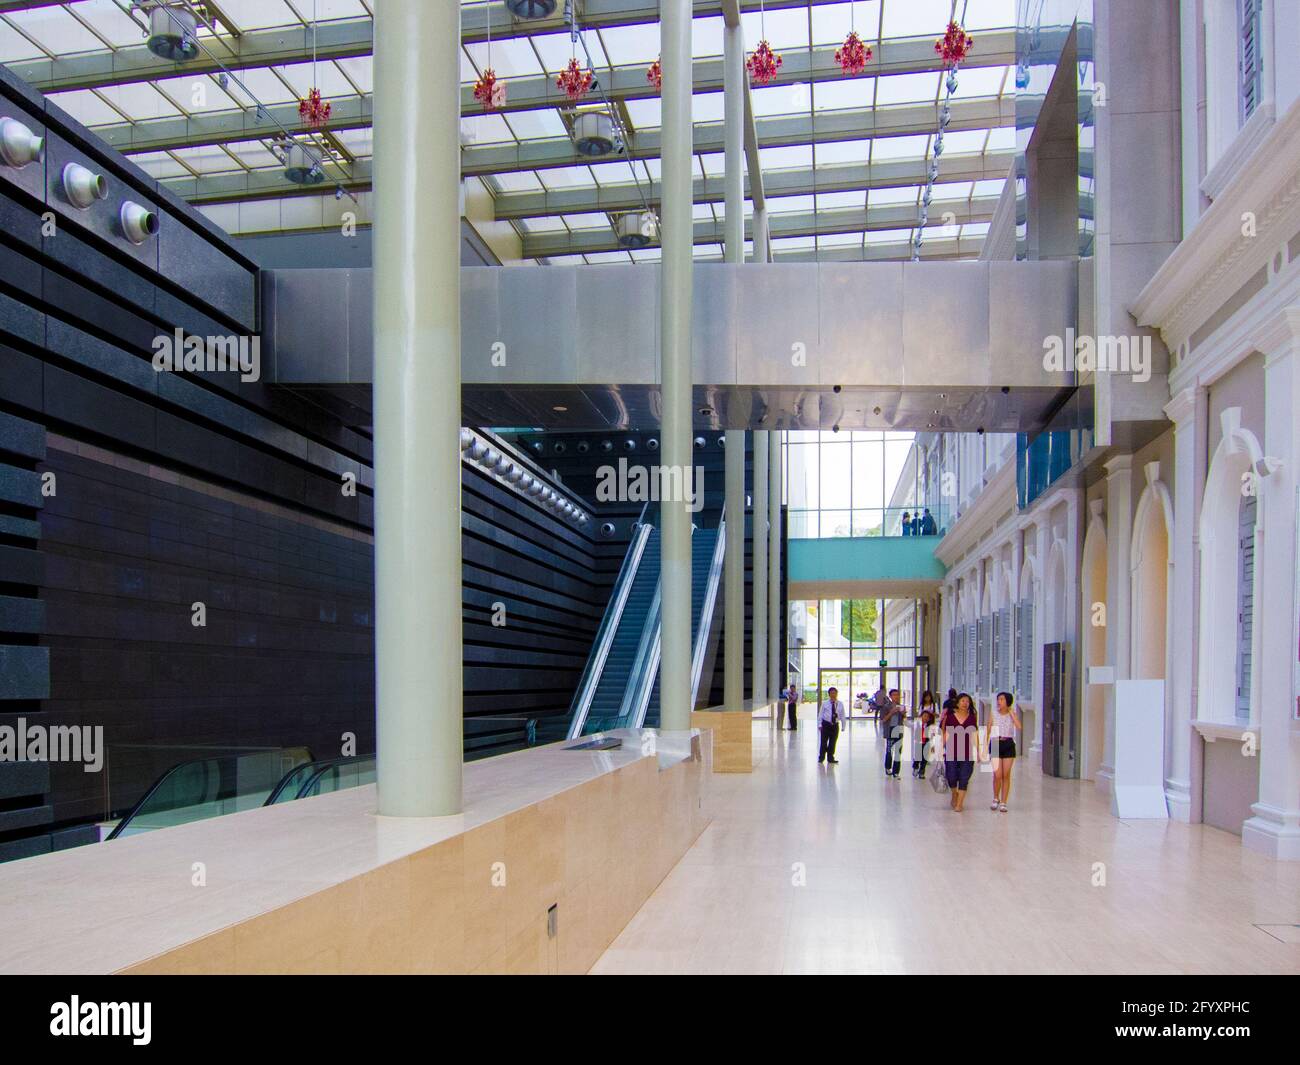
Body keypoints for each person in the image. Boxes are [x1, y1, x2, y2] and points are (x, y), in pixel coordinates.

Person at [941, 693, 978, 811]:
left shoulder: (972, 717)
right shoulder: (950, 717)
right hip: (952, 751)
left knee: (964, 777)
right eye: (962, 701)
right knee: (951, 776)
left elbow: (974, 734)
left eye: (967, 701)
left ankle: (959, 804)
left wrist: (979, 750)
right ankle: (954, 794)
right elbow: (946, 733)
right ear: (957, 703)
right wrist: (940, 747)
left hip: (967, 752)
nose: (965, 703)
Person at [988, 691, 1022, 812]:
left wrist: (1011, 713)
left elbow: (1019, 726)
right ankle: (995, 797)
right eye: (998, 699)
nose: (999, 702)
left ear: (1007, 701)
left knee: (1006, 774)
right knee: (997, 775)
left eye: (1002, 699)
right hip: (996, 743)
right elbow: (988, 730)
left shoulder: (1012, 714)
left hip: (1008, 743)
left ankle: (1004, 801)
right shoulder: (993, 714)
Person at [818, 686, 846, 765]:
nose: (833, 695)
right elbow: (820, 714)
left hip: (835, 725)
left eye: (835, 693)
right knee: (823, 742)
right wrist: (819, 724)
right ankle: (821, 757)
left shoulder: (840, 704)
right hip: (826, 725)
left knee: (833, 742)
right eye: (832, 693)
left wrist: (843, 726)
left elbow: (842, 715)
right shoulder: (825, 703)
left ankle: (830, 758)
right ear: (829, 694)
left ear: (837, 694)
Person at [880, 688, 905, 778]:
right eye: (894, 695)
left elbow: (904, 718)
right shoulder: (886, 706)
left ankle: (896, 771)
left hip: (899, 729)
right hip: (890, 729)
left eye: (897, 695)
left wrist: (902, 713)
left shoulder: (901, 706)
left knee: (898, 751)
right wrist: (891, 712)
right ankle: (888, 767)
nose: (896, 697)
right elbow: (883, 719)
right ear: (890, 696)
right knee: (889, 750)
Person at [912, 690, 936, 777]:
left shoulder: (933, 705)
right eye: (926, 697)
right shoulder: (922, 706)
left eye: (929, 697)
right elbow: (918, 716)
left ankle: (922, 771)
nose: (928, 698)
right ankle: (915, 767)